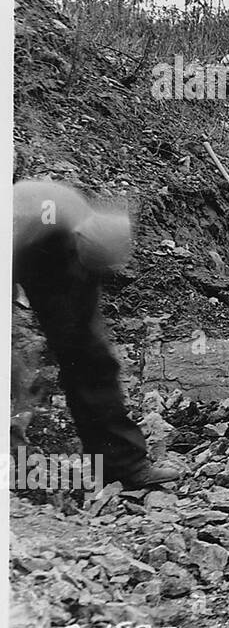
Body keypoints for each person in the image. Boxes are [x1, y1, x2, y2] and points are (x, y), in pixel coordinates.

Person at [12, 181, 180, 489]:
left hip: (60, 249)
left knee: (92, 359)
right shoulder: (25, 221)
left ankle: (124, 466)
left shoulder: (90, 227)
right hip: (27, 244)